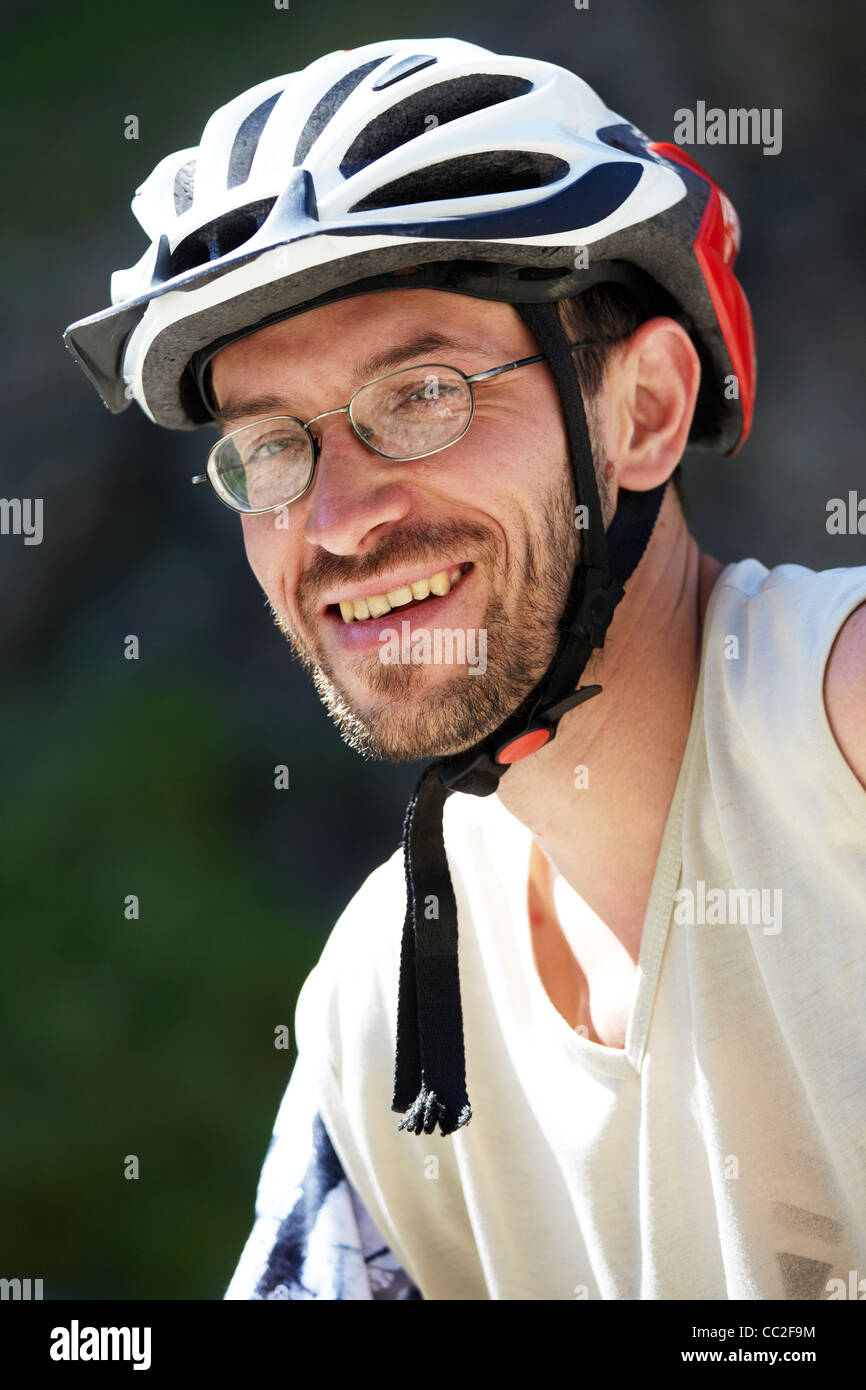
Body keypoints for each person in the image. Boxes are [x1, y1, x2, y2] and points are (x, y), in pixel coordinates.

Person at [64, 37, 866, 1301]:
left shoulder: (843, 729)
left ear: (642, 412)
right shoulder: (384, 998)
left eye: (422, 392)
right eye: (270, 446)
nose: (335, 519)